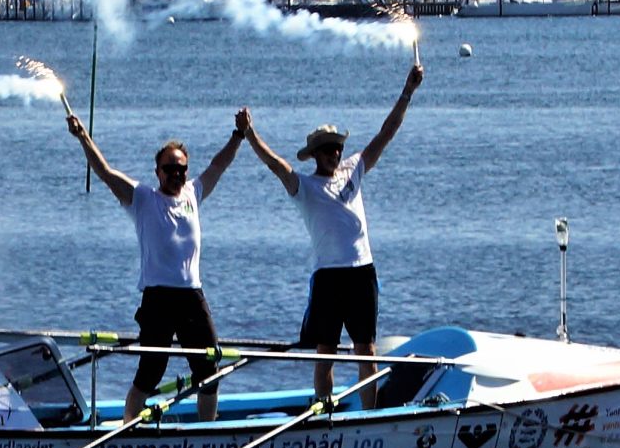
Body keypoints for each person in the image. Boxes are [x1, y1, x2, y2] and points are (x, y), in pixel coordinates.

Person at [239, 61, 424, 411]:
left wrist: (407, 91)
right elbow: (275, 164)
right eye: (327, 149)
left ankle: (370, 415)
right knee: (326, 353)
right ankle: (324, 413)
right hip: (328, 276)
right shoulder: (305, 186)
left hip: (361, 271)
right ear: (315, 155)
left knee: (365, 350)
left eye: (337, 147)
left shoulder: (354, 167)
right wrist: (250, 134)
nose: (335, 154)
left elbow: (387, 131)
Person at [66, 110, 247, 423]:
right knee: (150, 372)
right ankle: (126, 430)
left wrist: (239, 135)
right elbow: (105, 172)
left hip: (192, 295)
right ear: (158, 171)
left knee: (208, 370)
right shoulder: (143, 199)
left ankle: (206, 433)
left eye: (181, 169)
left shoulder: (194, 192)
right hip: (158, 297)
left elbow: (219, 165)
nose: (176, 174)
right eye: (169, 169)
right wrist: (83, 136)